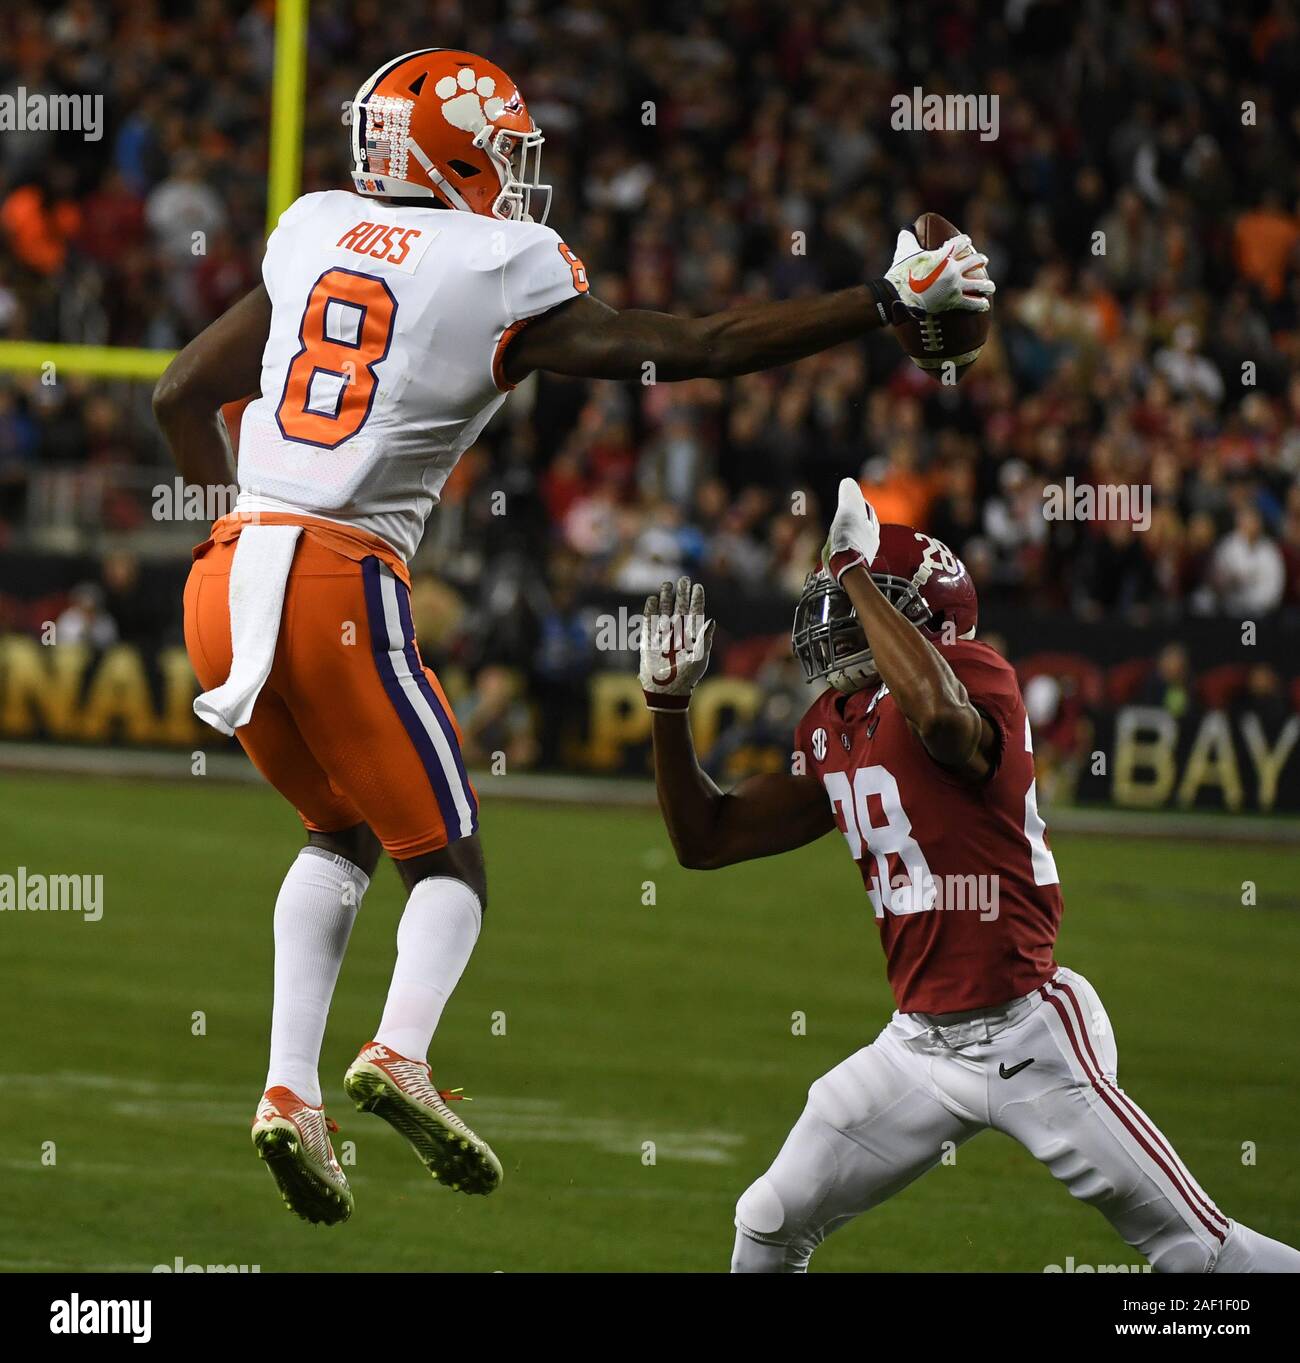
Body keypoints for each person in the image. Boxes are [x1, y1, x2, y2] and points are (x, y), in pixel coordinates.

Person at [153, 46, 994, 1227]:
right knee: (446, 860)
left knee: (333, 837)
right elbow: (693, 347)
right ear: (447, 154)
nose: (512, 175)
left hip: (226, 573)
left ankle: (286, 1093)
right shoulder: (497, 262)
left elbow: (178, 395)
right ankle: (395, 1054)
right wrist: (876, 303)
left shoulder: (312, 228)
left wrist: (227, 534)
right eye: (497, 152)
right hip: (340, 575)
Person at [637, 478, 1300, 1273]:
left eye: (862, 597)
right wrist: (667, 711)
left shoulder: (974, 675)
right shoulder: (834, 726)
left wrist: (852, 566)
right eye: (837, 595)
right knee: (769, 1219)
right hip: (920, 1044)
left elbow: (943, 722)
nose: (836, 615)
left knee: (1196, 1254)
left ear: (923, 614)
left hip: (1030, 1029)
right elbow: (706, 839)